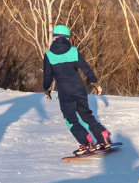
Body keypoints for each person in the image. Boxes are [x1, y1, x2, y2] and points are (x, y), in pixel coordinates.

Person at [43, 24, 112, 155]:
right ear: (67, 38)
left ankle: (86, 142)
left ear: (54, 38)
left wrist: (47, 90)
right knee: (86, 115)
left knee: (70, 119)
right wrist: (96, 84)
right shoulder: (73, 51)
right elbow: (86, 68)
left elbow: (47, 76)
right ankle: (103, 135)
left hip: (65, 92)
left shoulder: (49, 55)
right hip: (80, 89)